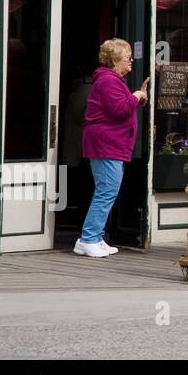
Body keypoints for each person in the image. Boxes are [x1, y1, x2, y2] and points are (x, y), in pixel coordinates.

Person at [75, 39, 149, 258]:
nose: (131, 61)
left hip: (111, 145)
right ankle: (88, 238)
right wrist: (136, 95)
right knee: (106, 191)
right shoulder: (109, 80)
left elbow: (121, 105)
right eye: (128, 57)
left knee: (107, 190)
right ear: (116, 60)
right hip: (106, 146)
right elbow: (119, 109)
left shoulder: (114, 80)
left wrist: (139, 98)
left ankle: (95, 237)